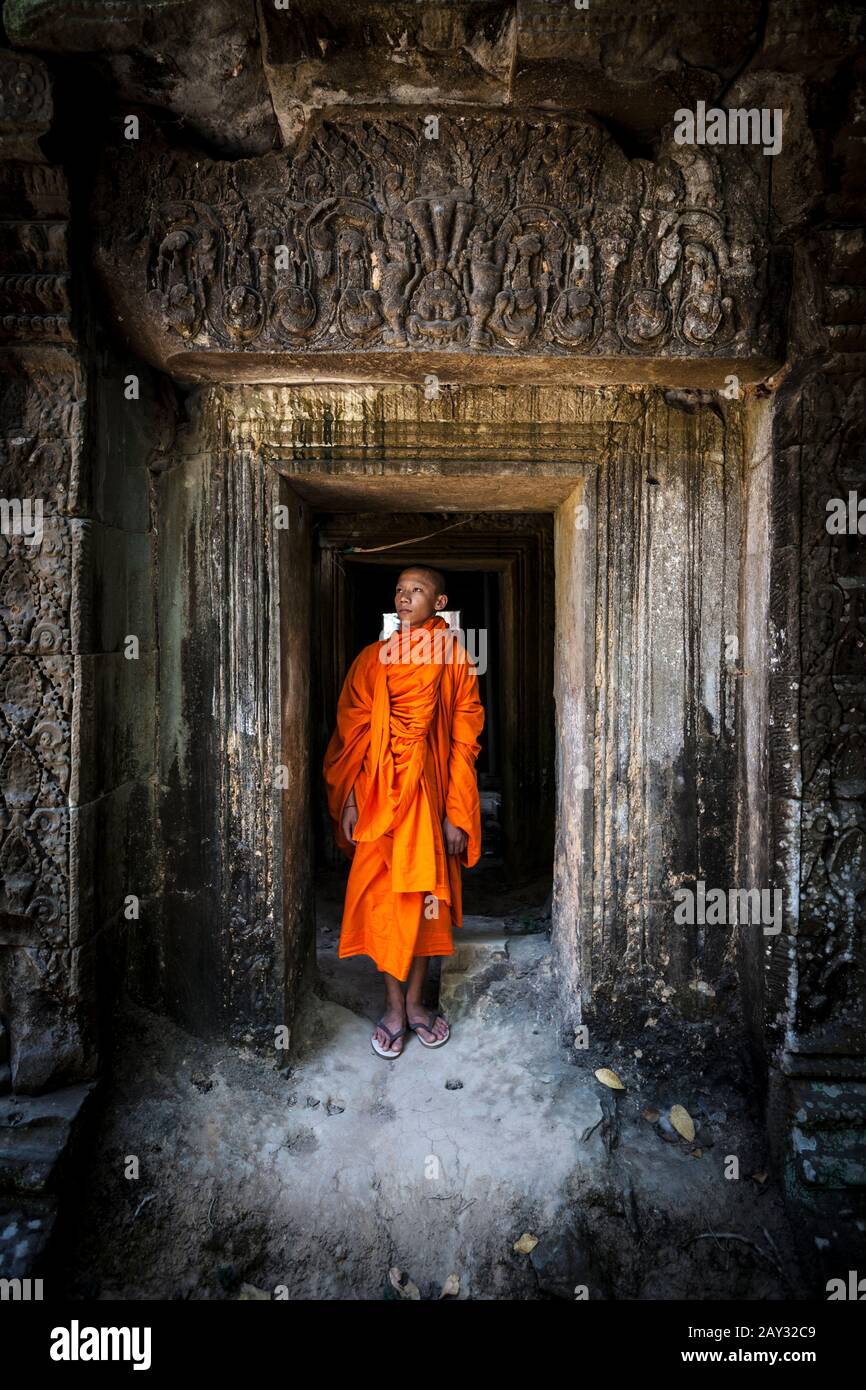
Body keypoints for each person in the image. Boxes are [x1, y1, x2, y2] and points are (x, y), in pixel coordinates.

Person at [322, 566, 484, 1057]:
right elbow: (350, 735)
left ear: (440, 603)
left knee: (421, 905)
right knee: (383, 906)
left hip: (429, 803)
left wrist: (457, 812)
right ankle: (394, 1007)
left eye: (417, 590)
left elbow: (464, 739)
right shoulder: (372, 659)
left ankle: (415, 1005)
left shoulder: (454, 657)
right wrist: (350, 799)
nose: (405, 596)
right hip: (375, 802)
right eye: (399, 589)